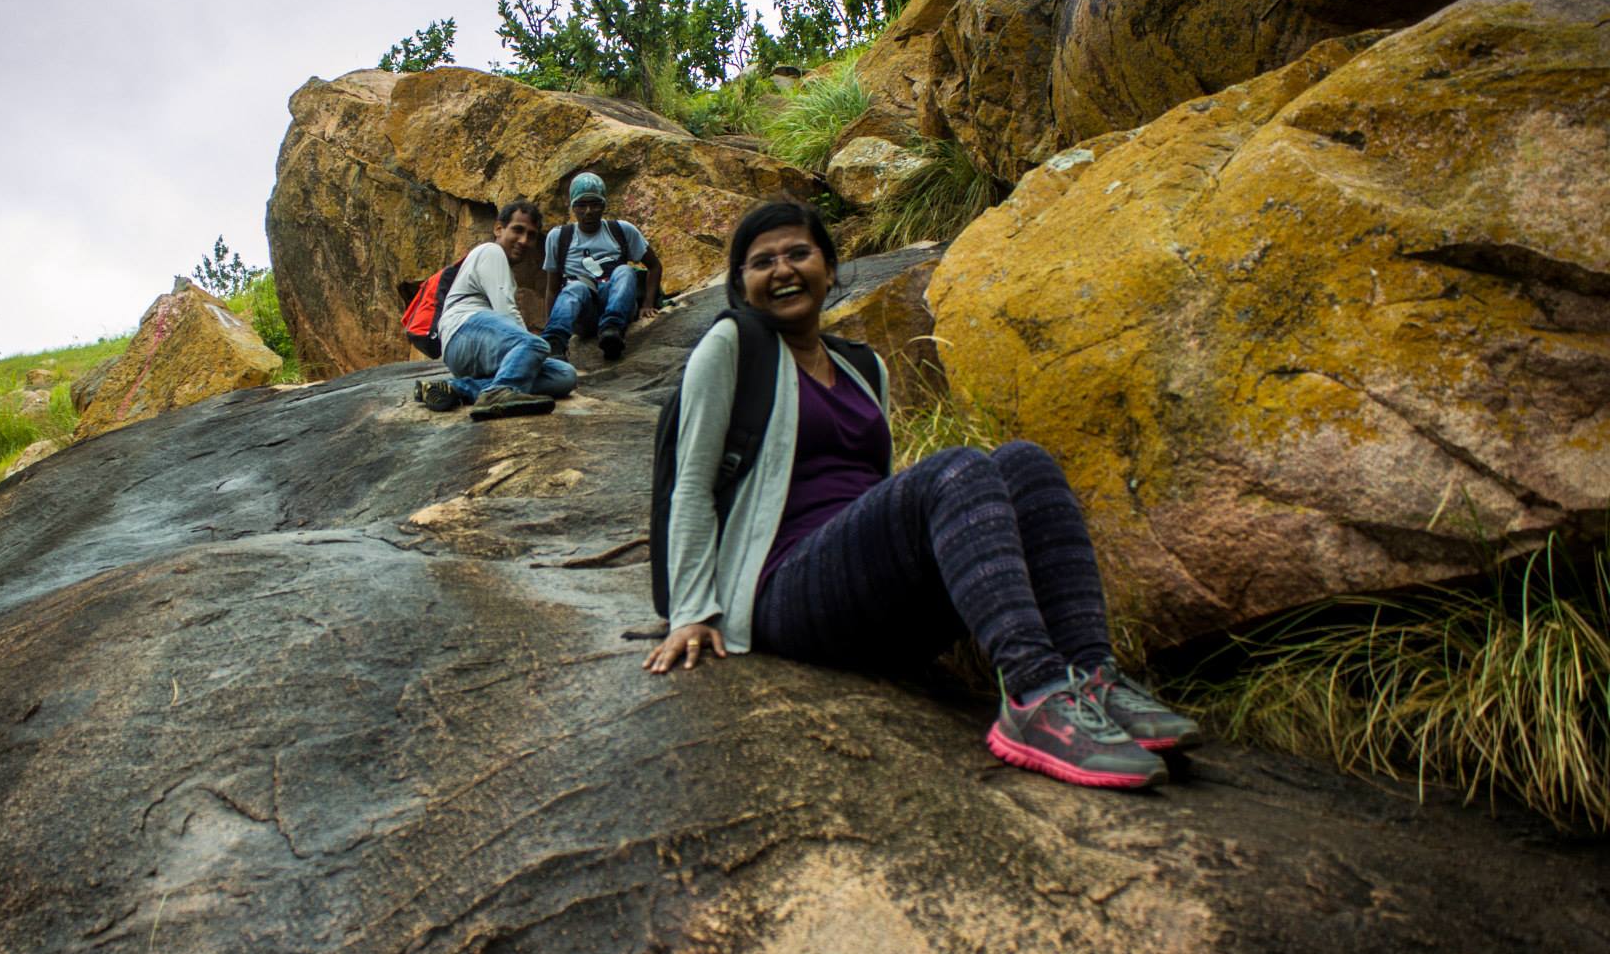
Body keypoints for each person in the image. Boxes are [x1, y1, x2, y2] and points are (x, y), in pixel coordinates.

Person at [646, 200, 1200, 790]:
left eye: (798, 253)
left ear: (829, 268)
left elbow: (877, 491)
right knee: (957, 468)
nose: (782, 270)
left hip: (864, 591)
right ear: (742, 286)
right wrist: (692, 613)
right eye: (762, 262)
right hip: (783, 586)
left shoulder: (865, 367)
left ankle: (1092, 678)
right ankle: (1034, 691)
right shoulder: (733, 344)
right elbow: (692, 484)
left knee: (1025, 462)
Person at [416, 201, 579, 421]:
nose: (524, 240)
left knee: (564, 376)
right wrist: (533, 352)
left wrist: (530, 356)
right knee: (536, 345)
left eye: (531, 235)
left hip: (478, 347)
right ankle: (499, 393)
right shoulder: (491, 252)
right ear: (498, 229)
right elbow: (506, 311)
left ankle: (456, 388)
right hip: (464, 331)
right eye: (518, 230)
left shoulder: (502, 265)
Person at [541, 172, 663, 363]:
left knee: (624, 271)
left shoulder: (621, 230)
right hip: (584, 312)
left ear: (604, 205)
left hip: (617, 303)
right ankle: (554, 343)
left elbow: (654, 266)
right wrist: (551, 321)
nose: (588, 211)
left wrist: (648, 304)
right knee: (575, 287)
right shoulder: (559, 237)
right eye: (581, 205)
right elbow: (552, 288)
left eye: (595, 204)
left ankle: (612, 331)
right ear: (573, 207)